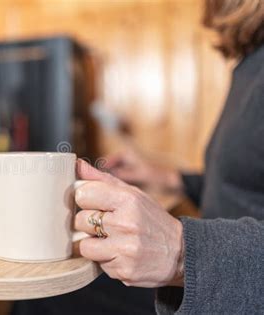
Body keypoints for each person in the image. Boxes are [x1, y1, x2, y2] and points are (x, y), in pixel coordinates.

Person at [73, 0, 264, 313]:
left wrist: (182, 252)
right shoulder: (251, 64)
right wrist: (169, 178)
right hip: (225, 283)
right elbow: (244, 185)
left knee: (53, 292)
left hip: (225, 288)